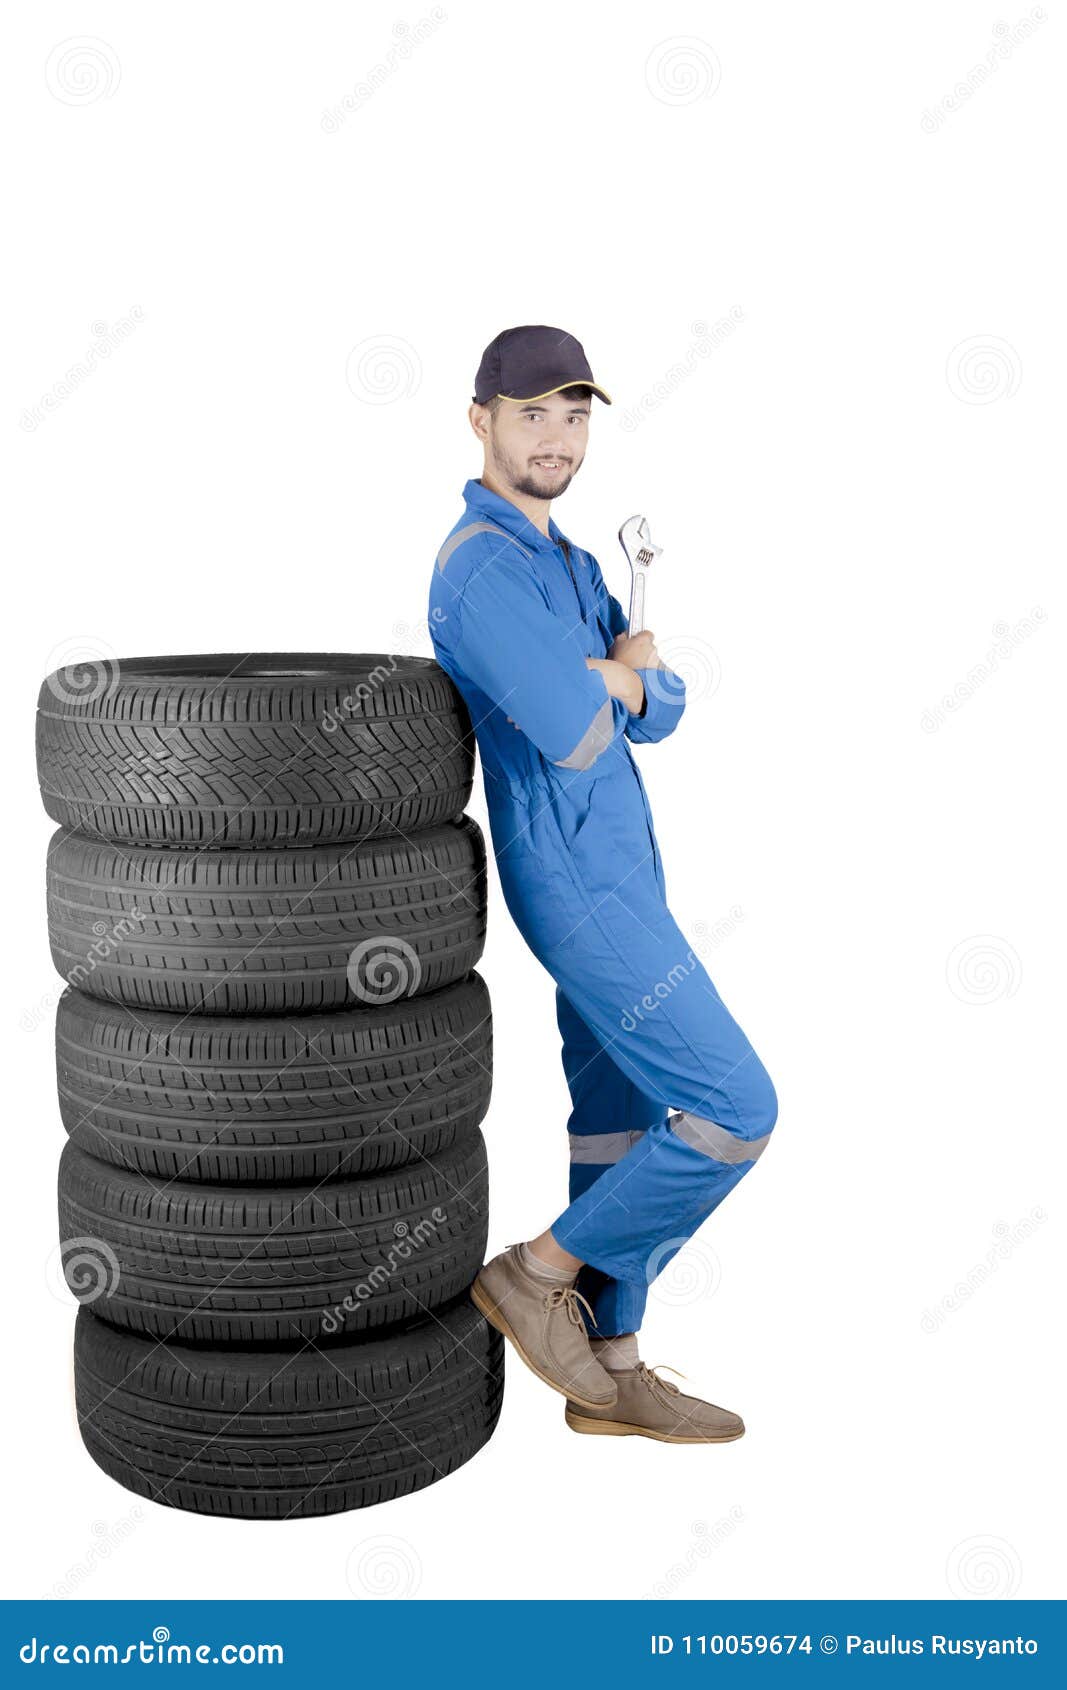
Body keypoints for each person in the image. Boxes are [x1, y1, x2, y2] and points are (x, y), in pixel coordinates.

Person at [427, 325, 778, 1443]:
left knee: (617, 1124)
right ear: (478, 417)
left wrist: (620, 673)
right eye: (532, 413)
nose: (558, 437)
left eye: (575, 415)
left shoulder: (570, 564)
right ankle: (537, 1273)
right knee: (734, 1106)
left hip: (627, 874)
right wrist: (616, 677)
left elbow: (664, 705)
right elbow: (580, 732)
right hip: (575, 884)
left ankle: (615, 1363)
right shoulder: (478, 566)